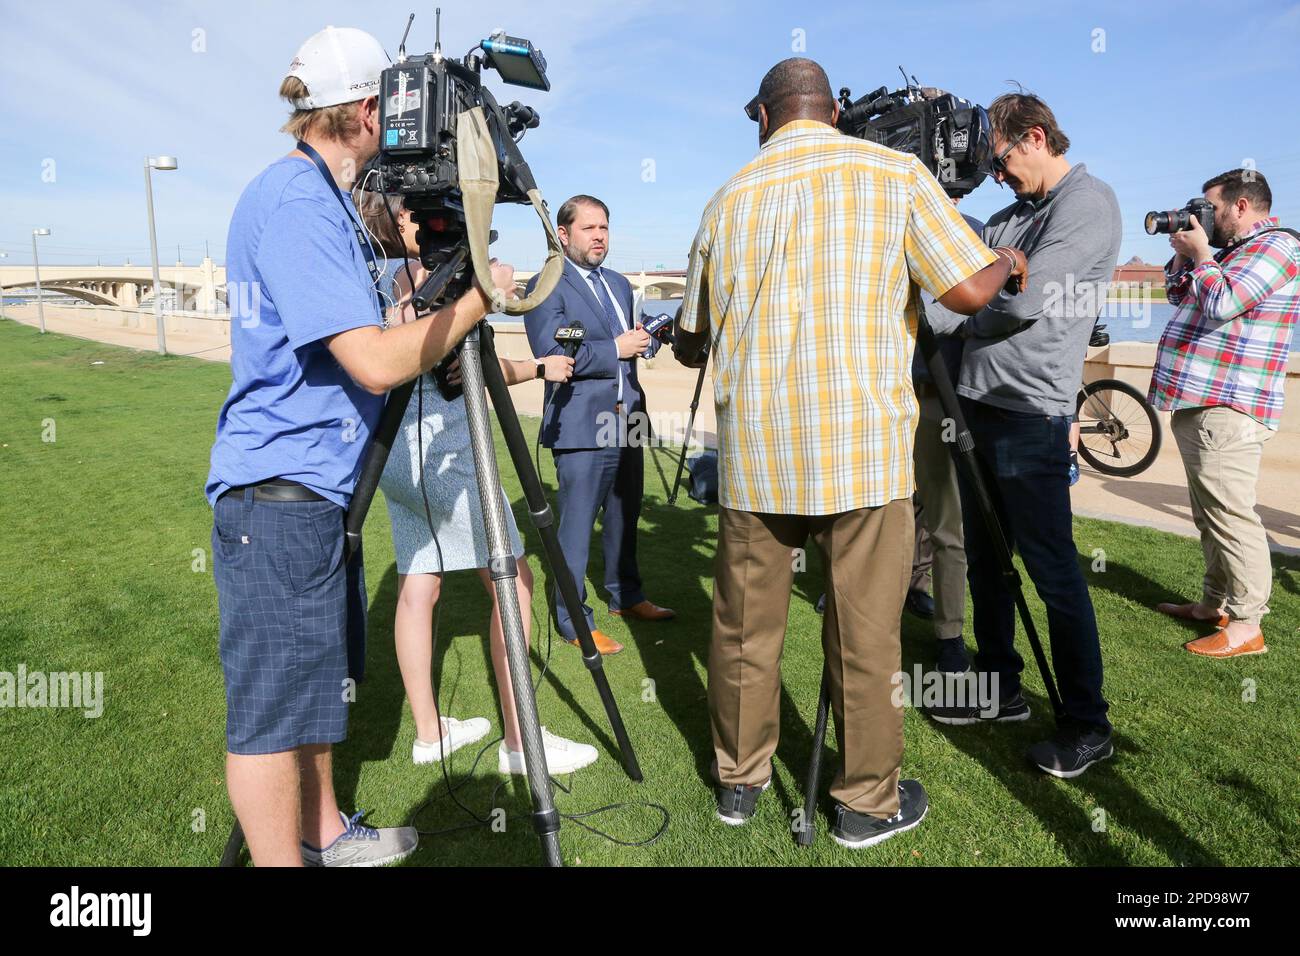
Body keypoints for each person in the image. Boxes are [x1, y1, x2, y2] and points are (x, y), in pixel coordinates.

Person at [673, 58, 1025, 848]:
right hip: (862, 452)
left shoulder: (727, 196)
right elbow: (967, 292)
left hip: (759, 456)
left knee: (741, 632)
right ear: (834, 109)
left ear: (761, 118)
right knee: (867, 634)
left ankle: (739, 782)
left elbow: (690, 342)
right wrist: (1008, 260)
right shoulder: (895, 172)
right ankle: (865, 803)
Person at [206, 26, 516, 867]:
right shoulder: (300, 201)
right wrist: (481, 299)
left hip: (309, 496)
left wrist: (432, 298)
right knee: (274, 716)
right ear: (370, 109)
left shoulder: (324, 197)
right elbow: (378, 364)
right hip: (278, 497)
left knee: (307, 697)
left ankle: (327, 831)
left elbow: (376, 333)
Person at [355, 191, 599, 774]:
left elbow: (463, 363)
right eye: (420, 210)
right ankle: (522, 742)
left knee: (419, 581)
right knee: (513, 580)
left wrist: (535, 365)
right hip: (447, 450)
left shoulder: (368, 271)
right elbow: (457, 372)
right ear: (400, 217)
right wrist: (483, 290)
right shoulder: (421, 281)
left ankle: (428, 731)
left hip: (393, 455)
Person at [922, 91, 1122, 779]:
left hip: (1030, 414)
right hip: (976, 405)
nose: (997, 178)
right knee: (988, 563)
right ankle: (1000, 685)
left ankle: (1086, 724)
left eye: (1003, 162)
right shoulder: (1012, 214)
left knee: (1053, 573)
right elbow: (964, 282)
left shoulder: (1086, 204)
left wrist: (965, 308)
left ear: (1034, 138)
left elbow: (1018, 304)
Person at [1148, 169, 1299, 658]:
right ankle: (1215, 603)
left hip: (1230, 406)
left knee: (1232, 516)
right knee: (1209, 513)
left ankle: (1248, 624)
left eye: (1210, 207)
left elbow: (1224, 303)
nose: (1203, 214)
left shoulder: (1278, 248)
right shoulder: (1231, 251)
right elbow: (1176, 294)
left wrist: (1203, 255)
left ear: (1240, 206)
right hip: (1200, 402)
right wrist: (1185, 251)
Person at [523, 195, 675, 656]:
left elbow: (623, 339)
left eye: (604, 228)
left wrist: (643, 341)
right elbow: (557, 348)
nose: (599, 236)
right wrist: (616, 348)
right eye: (589, 228)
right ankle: (573, 621)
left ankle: (626, 597)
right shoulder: (547, 285)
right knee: (576, 527)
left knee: (626, 514)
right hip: (581, 424)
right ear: (563, 235)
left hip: (626, 418)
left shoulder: (619, 285)